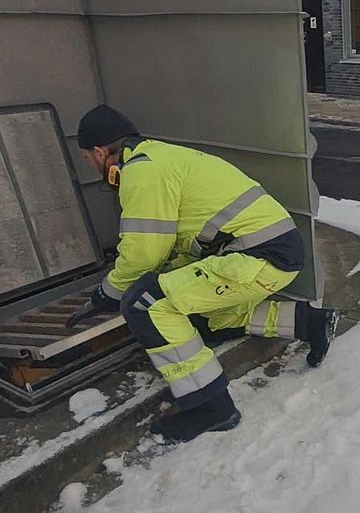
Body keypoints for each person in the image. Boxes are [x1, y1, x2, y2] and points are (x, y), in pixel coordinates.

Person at [68, 104, 338, 443]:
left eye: (87, 159)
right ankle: (309, 322)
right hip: (271, 256)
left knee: (147, 303)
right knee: (204, 318)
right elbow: (175, 244)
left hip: (256, 258)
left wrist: (108, 293)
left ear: (98, 151)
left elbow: (144, 252)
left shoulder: (142, 170)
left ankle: (211, 407)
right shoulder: (162, 157)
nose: (91, 165)